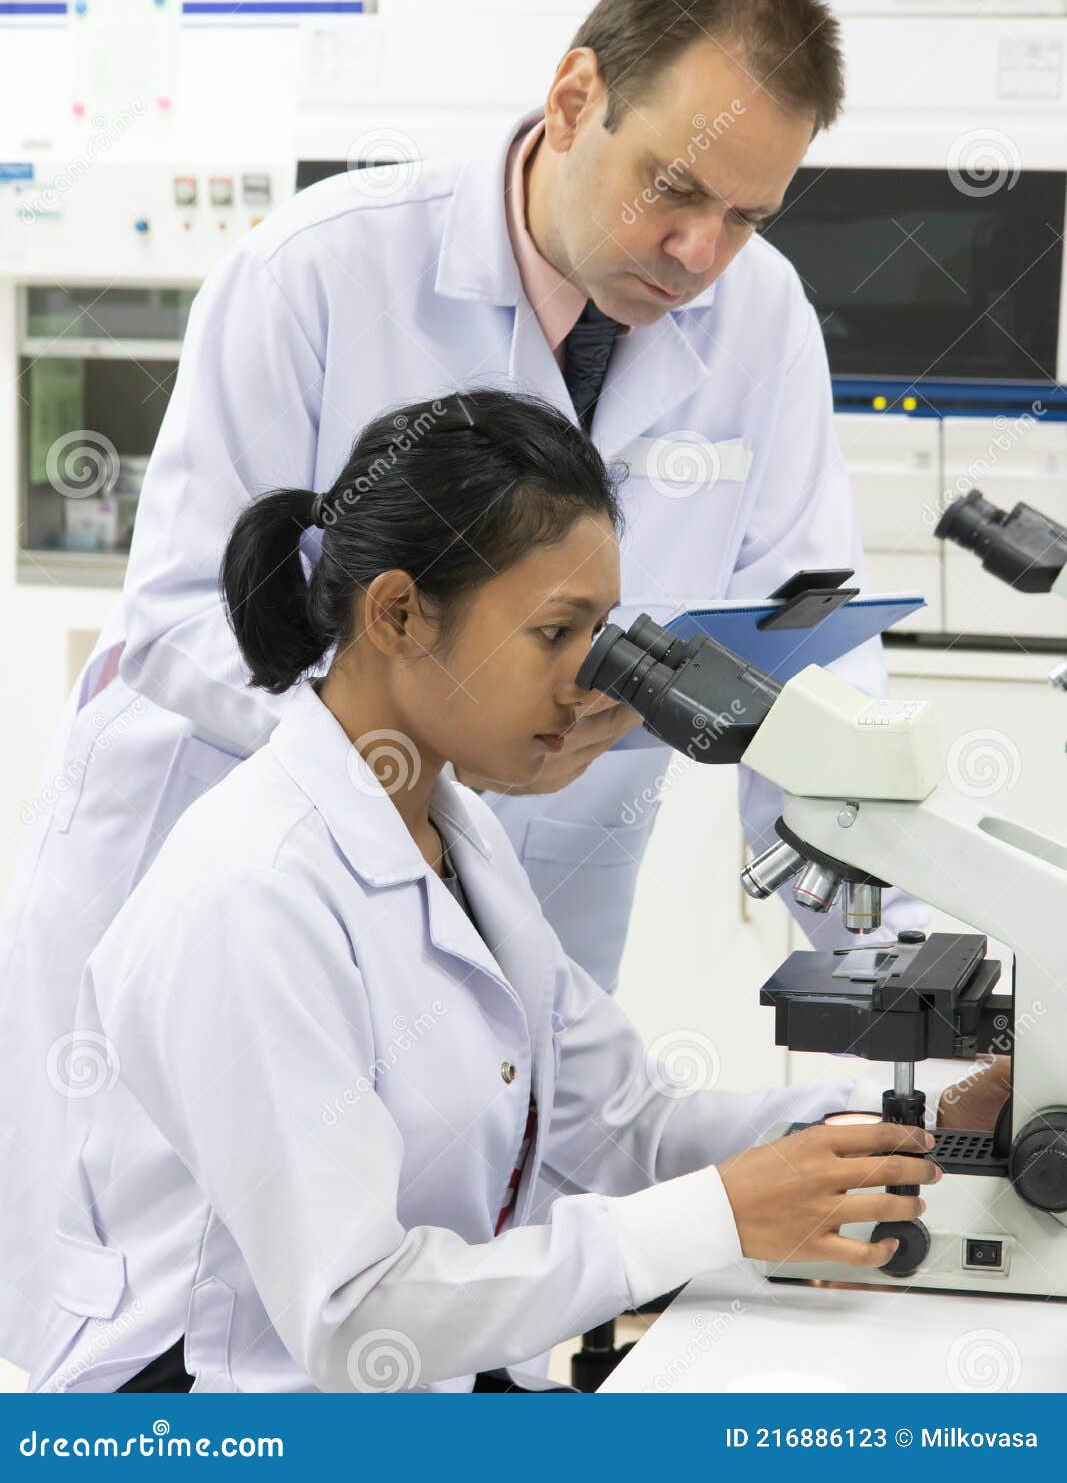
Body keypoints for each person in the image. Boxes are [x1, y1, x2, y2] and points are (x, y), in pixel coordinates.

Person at [1, 0, 928, 1364]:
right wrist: (388, 785)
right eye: (672, 192)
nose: (699, 256)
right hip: (271, 889)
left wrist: (889, 986)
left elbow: (805, 667)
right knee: (216, 1291)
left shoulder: (758, 316)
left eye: (745, 216)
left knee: (491, 1227)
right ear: (570, 100)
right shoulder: (315, 270)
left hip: (471, 859)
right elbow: (192, 622)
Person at [30, 393, 946, 1395]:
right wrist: (717, 1215)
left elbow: (624, 1125)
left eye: (601, 635)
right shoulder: (253, 897)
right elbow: (352, 1320)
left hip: (433, 1388)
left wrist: (918, 1126)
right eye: (555, 633)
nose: (591, 685)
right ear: (395, 613)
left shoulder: (451, 838)